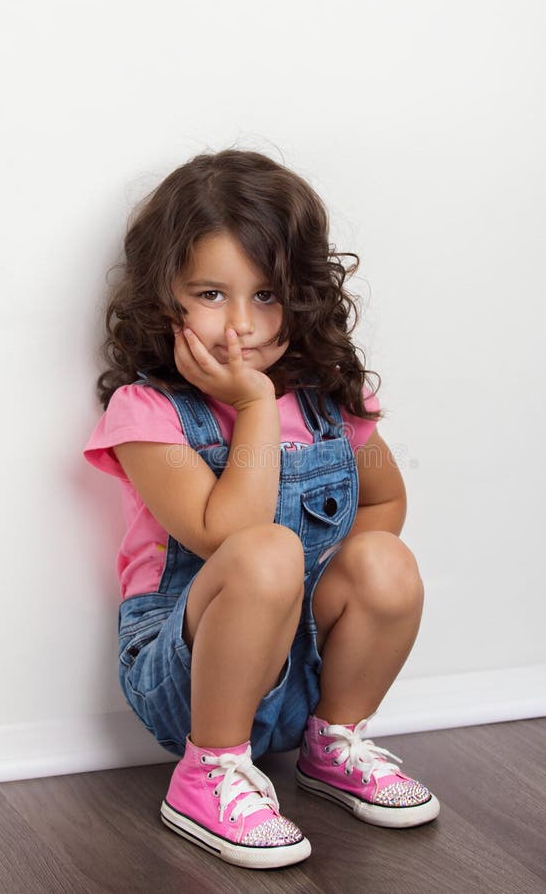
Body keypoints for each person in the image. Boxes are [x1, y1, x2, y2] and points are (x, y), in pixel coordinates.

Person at [83, 148, 439, 870]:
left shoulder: (331, 406)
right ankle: (206, 773)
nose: (239, 325)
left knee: (385, 560)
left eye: (266, 295)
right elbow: (229, 534)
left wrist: (328, 600)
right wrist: (253, 406)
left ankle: (331, 739)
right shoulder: (147, 414)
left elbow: (385, 498)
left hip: (299, 666)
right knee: (265, 547)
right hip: (187, 675)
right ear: (166, 296)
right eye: (211, 294)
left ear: (302, 298)